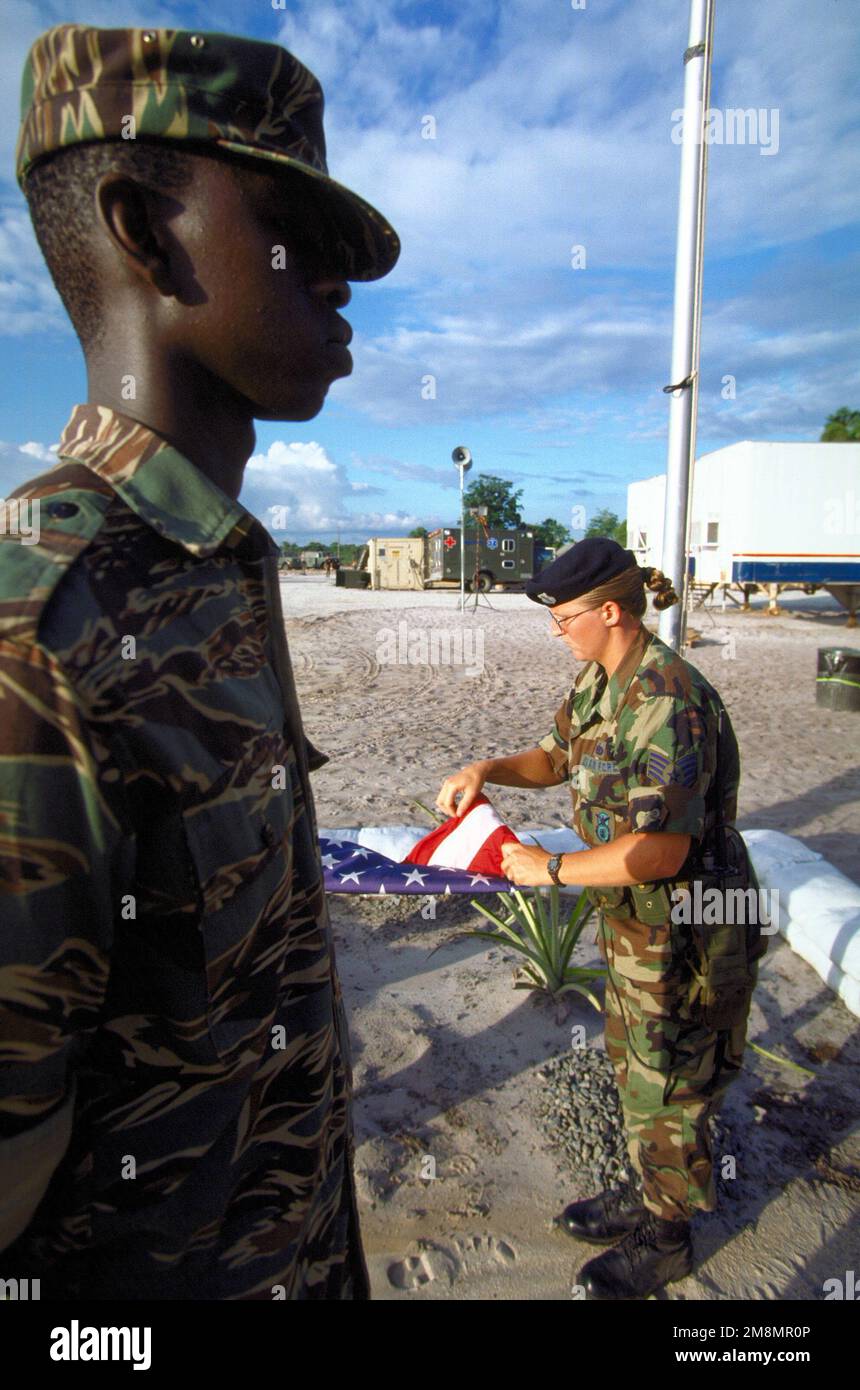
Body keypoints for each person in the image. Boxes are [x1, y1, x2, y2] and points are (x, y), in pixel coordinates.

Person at [0, 23, 399, 1300]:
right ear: (140, 227)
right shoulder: (38, 626)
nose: (341, 283)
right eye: (301, 231)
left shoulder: (207, 565)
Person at [436, 537, 765, 1300]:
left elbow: (658, 852)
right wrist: (488, 769)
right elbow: (554, 759)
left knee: (672, 1077)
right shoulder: (601, 681)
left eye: (564, 618)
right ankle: (647, 1188)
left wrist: (549, 869)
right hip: (632, 919)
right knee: (633, 1060)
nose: (558, 631)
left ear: (609, 611)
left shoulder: (667, 702)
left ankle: (669, 1236)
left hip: (686, 925)